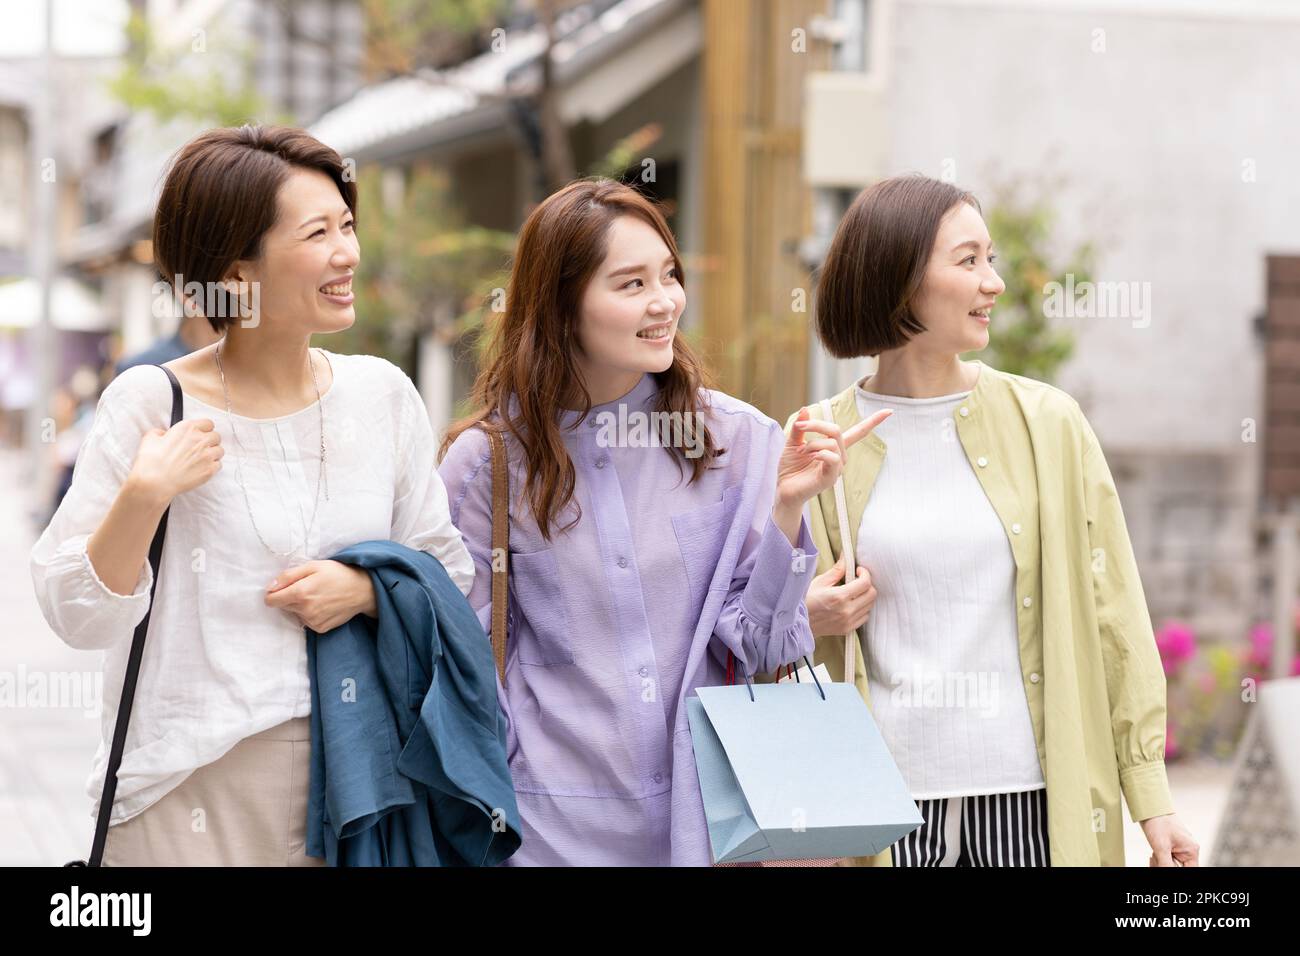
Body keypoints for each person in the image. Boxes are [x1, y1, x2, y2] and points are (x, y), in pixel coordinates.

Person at [30, 124, 474, 866]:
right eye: (318, 233)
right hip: (179, 792)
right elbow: (75, 615)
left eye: (348, 226)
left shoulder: (382, 396)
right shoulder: (153, 399)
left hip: (353, 788)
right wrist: (145, 494)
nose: (348, 253)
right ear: (237, 272)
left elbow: (448, 574)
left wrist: (365, 590)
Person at [437, 178, 876, 866]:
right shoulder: (485, 465)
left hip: (710, 830)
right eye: (631, 283)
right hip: (548, 837)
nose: (665, 300)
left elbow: (761, 646)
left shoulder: (740, 442)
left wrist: (787, 505)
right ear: (561, 305)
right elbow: (466, 671)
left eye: (669, 274)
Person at [797, 173, 1199, 867]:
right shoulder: (815, 441)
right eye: (968, 260)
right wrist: (806, 613)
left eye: (992, 260)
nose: (994, 284)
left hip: (1035, 800)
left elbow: (1115, 613)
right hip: (879, 808)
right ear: (898, 277)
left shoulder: (1049, 424)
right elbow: (760, 628)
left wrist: (1150, 797)